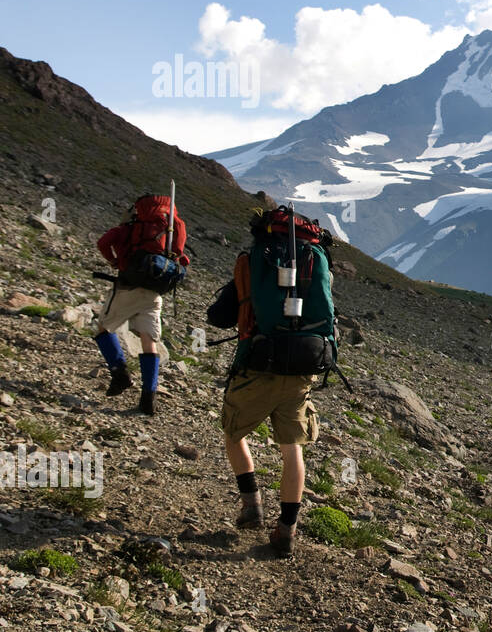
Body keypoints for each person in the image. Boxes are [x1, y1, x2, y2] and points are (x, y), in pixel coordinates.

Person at [208, 207, 339, 557]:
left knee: (234, 433)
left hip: (258, 364)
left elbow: (219, 317)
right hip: (302, 369)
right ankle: (287, 531)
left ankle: (252, 506)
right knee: (292, 448)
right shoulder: (315, 260)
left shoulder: (253, 260)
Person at [93, 194, 188, 416]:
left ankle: (120, 374)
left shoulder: (130, 228)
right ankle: (148, 399)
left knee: (103, 328)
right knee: (149, 340)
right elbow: (182, 257)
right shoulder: (173, 226)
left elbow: (103, 243)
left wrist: (114, 260)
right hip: (155, 290)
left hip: (128, 287)